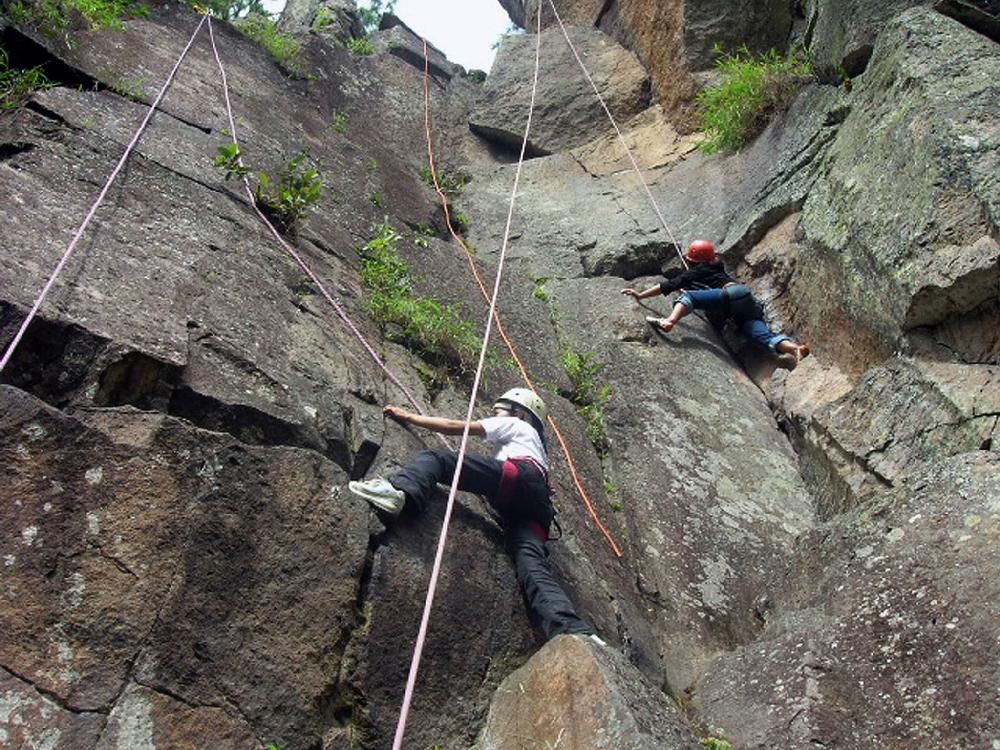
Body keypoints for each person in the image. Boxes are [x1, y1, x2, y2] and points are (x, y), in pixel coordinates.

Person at [348, 388, 600, 642]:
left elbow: (453, 425)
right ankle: (572, 629)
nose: (495, 414)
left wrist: (409, 417)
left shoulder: (515, 424)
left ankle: (400, 492)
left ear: (520, 413)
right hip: (537, 509)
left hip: (519, 478)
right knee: (531, 564)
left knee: (437, 459)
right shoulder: (537, 447)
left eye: (499, 410)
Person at [621, 239, 811, 362]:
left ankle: (670, 321)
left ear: (693, 261)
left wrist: (640, 295)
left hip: (729, 297)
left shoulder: (696, 271)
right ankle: (795, 349)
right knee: (760, 335)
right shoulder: (716, 265)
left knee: (688, 298)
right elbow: (710, 285)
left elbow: (666, 286)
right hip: (745, 300)